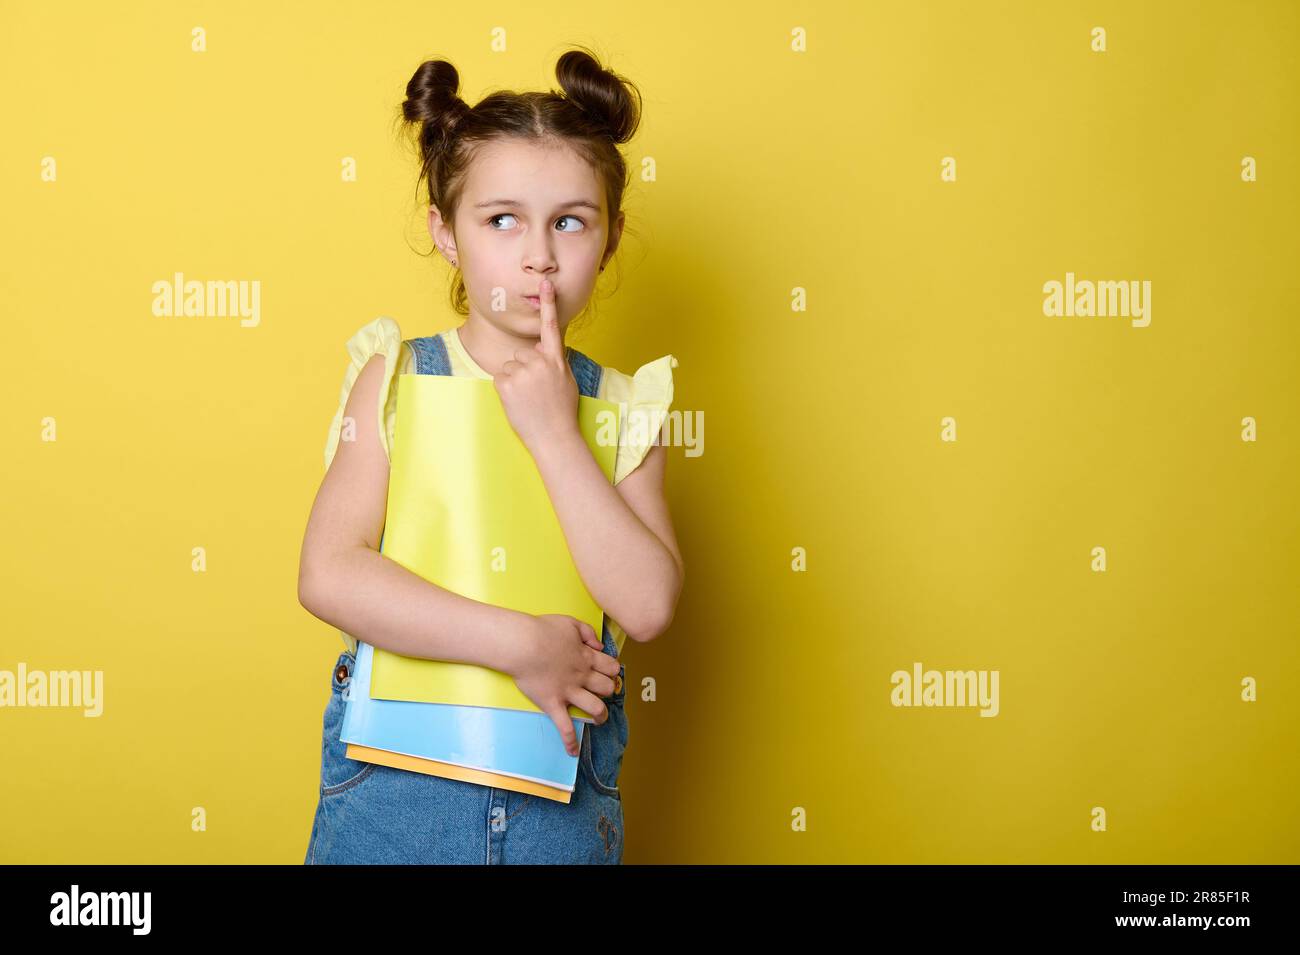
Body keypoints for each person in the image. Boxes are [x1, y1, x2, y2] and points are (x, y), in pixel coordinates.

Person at [297, 46, 684, 863]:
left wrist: (553, 432)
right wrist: (519, 643)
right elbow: (329, 571)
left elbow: (647, 602)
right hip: (396, 796)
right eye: (501, 219)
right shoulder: (397, 376)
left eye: (570, 221)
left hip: (561, 809)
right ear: (445, 231)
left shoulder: (622, 408)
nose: (537, 254)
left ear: (608, 241)